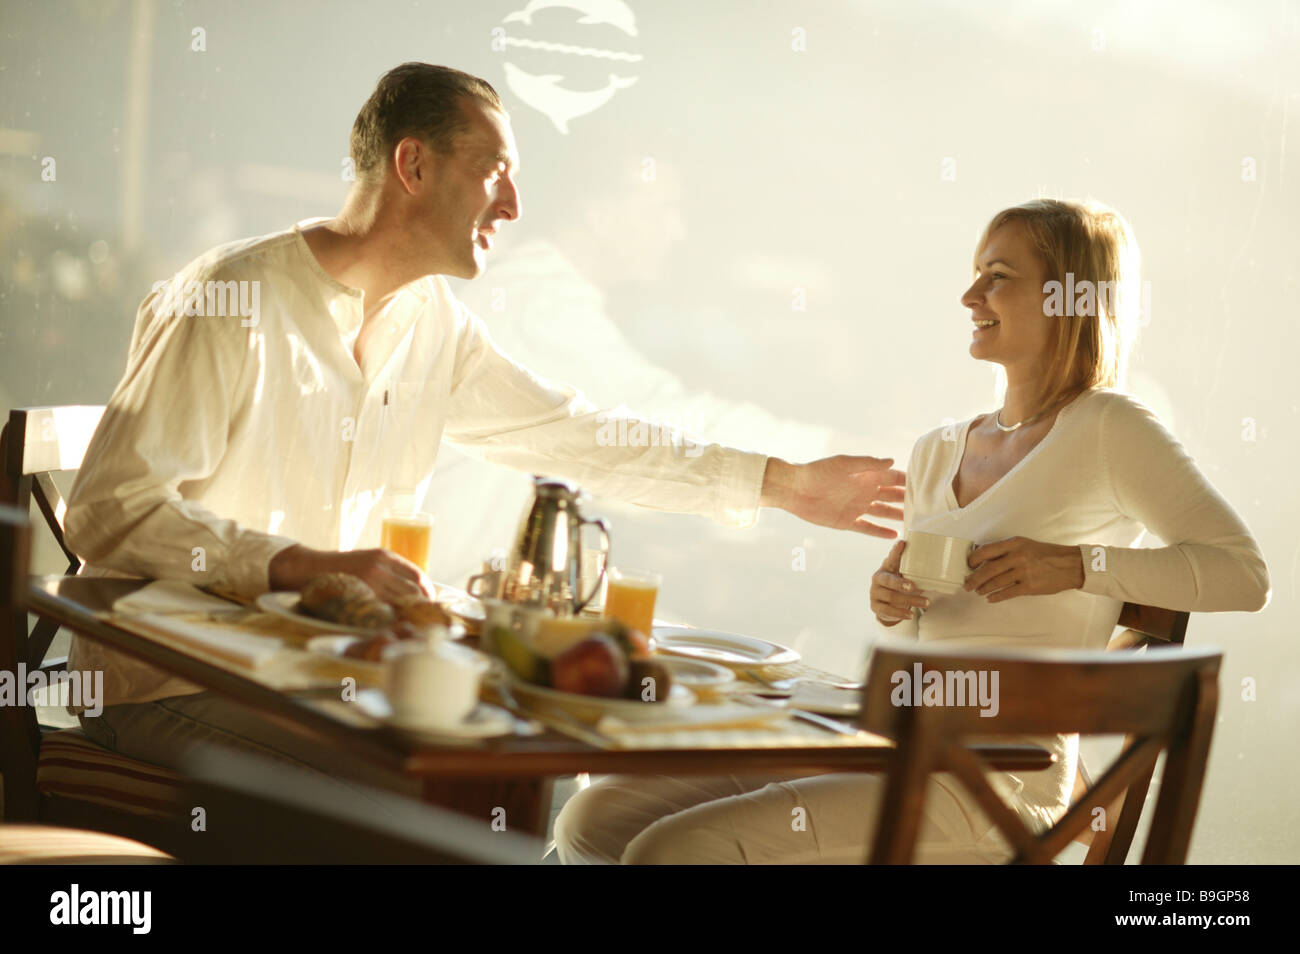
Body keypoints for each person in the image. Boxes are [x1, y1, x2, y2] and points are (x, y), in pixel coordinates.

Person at [61, 63, 905, 807]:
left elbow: (580, 435)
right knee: (444, 792)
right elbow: (109, 509)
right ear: (414, 165)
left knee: (515, 778)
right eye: (494, 169)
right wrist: (302, 564)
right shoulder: (231, 299)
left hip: (321, 678)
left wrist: (780, 483)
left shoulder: (434, 325)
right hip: (164, 684)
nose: (515, 202)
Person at [553, 198, 1270, 864]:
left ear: (1066, 298)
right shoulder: (938, 449)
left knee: (672, 852)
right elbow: (932, 639)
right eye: (973, 277)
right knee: (593, 817)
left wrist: (1079, 565)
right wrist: (896, 599)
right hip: (899, 738)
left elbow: (1244, 574)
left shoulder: (1113, 428)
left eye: (997, 277)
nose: (969, 298)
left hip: (1000, 782)